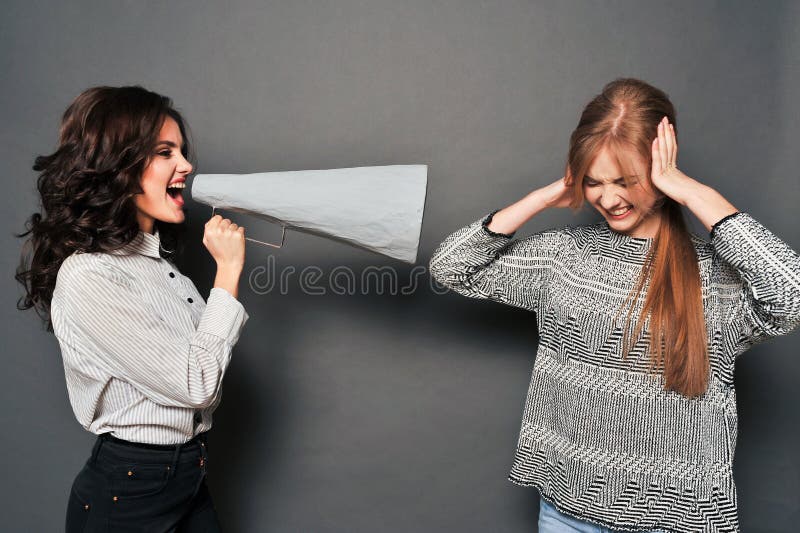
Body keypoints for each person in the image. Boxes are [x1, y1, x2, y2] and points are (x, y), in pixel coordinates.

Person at [429, 78, 800, 532]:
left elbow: (791, 293)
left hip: (677, 520)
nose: (608, 198)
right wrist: (542, 197)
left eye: (626, 181)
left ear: (662, 172)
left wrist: (693, 192)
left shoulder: (715, 278)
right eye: (593, 182)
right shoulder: (563, 258)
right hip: (567, 512)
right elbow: (451, 267)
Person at [16, 86, 249, 531]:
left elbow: (205, 369)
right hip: (130, 492)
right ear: (118, 166)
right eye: (166, 152)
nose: (186, 165)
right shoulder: (89, 276)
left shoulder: (159, 267)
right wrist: (228, 271)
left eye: (181, 150)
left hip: (189, 476)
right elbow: (197, 384)